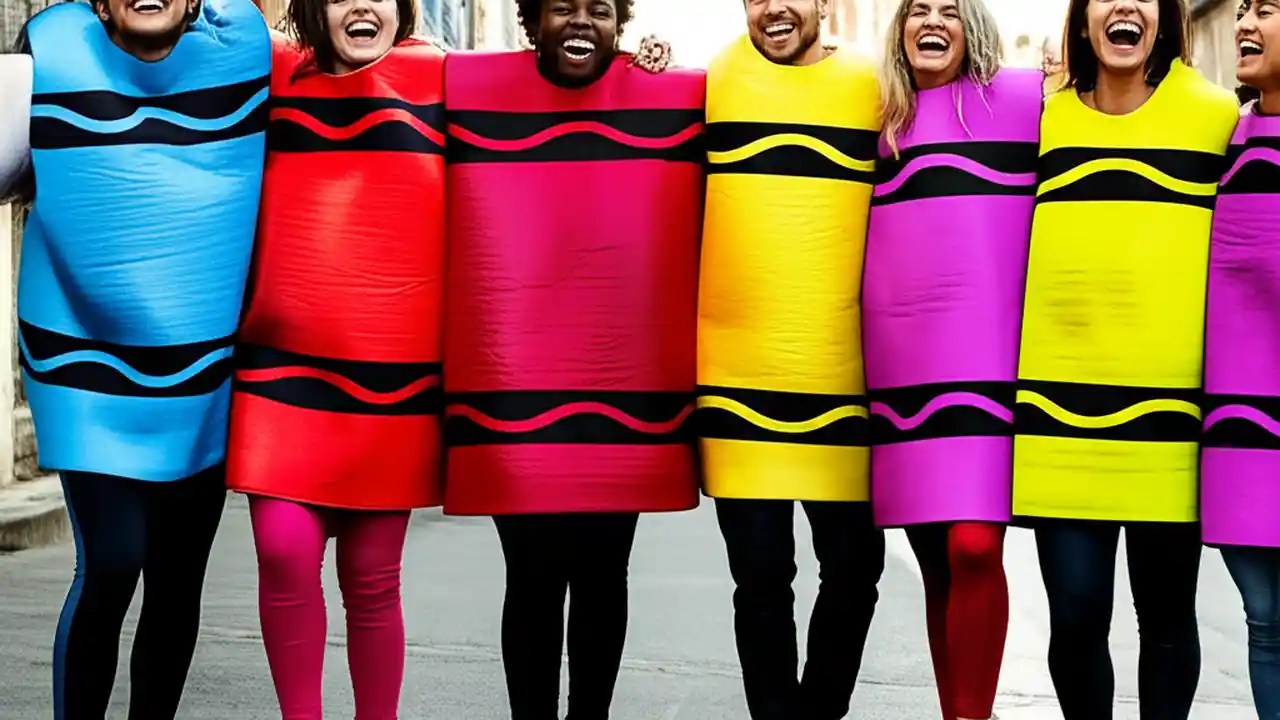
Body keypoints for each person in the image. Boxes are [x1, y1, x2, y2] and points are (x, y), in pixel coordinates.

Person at [4, 0, 270, 716]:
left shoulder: (244, 44)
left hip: (202, 375)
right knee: (115, 564)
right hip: (84, 364)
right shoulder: (50, 44)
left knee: (178, 581)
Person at [440, 1, 697, 718]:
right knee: (531, 575)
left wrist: (658, 65)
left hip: (621, 387)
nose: (580, 23)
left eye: (599, 11)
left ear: (620, 24)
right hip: (513, 387)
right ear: (531, 22)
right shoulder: (466, 86)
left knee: (602, 573)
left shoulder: (666, 93)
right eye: (563, 9)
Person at [1012, 0, 1238, 718]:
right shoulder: (1041, 121)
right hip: (1057, 421)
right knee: (1076, 620)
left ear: (1163, 18)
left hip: (1170, 421)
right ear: (1083, 20)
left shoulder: (1214, 117)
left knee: (1166, 624)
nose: (1124, 5)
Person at [225, 0, 443, 716]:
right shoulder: (276, 72)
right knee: (284, 555)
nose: (363, 5)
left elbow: (552, 69)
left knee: (373, 575)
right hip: (280, 377)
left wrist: (643, 54)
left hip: (393, 383)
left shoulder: (443, 76)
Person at [696, 1, 885, 717]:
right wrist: (643, 53)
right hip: (736, 377)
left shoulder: (873, 87)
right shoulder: (712, 80)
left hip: (846, 380)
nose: (774, 6)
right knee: (762, 578)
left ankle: (819, 711)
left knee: (855, 569)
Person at [862, 1, 1042, 718]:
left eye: (950, 11)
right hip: (900, 364)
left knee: (973, 546)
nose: (932, 23)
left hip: (990, 362)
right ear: (899, 29)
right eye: (918, 10)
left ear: (975, 27)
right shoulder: (877, 115)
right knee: (937, 558)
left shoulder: (1024, 98)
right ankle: (960, 709)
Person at [1202, 2, 1280, 718]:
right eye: (1244, 9)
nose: (1247, 23)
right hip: (1239, 424)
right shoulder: (1222, 138)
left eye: (1269, 8)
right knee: (1265, 619)